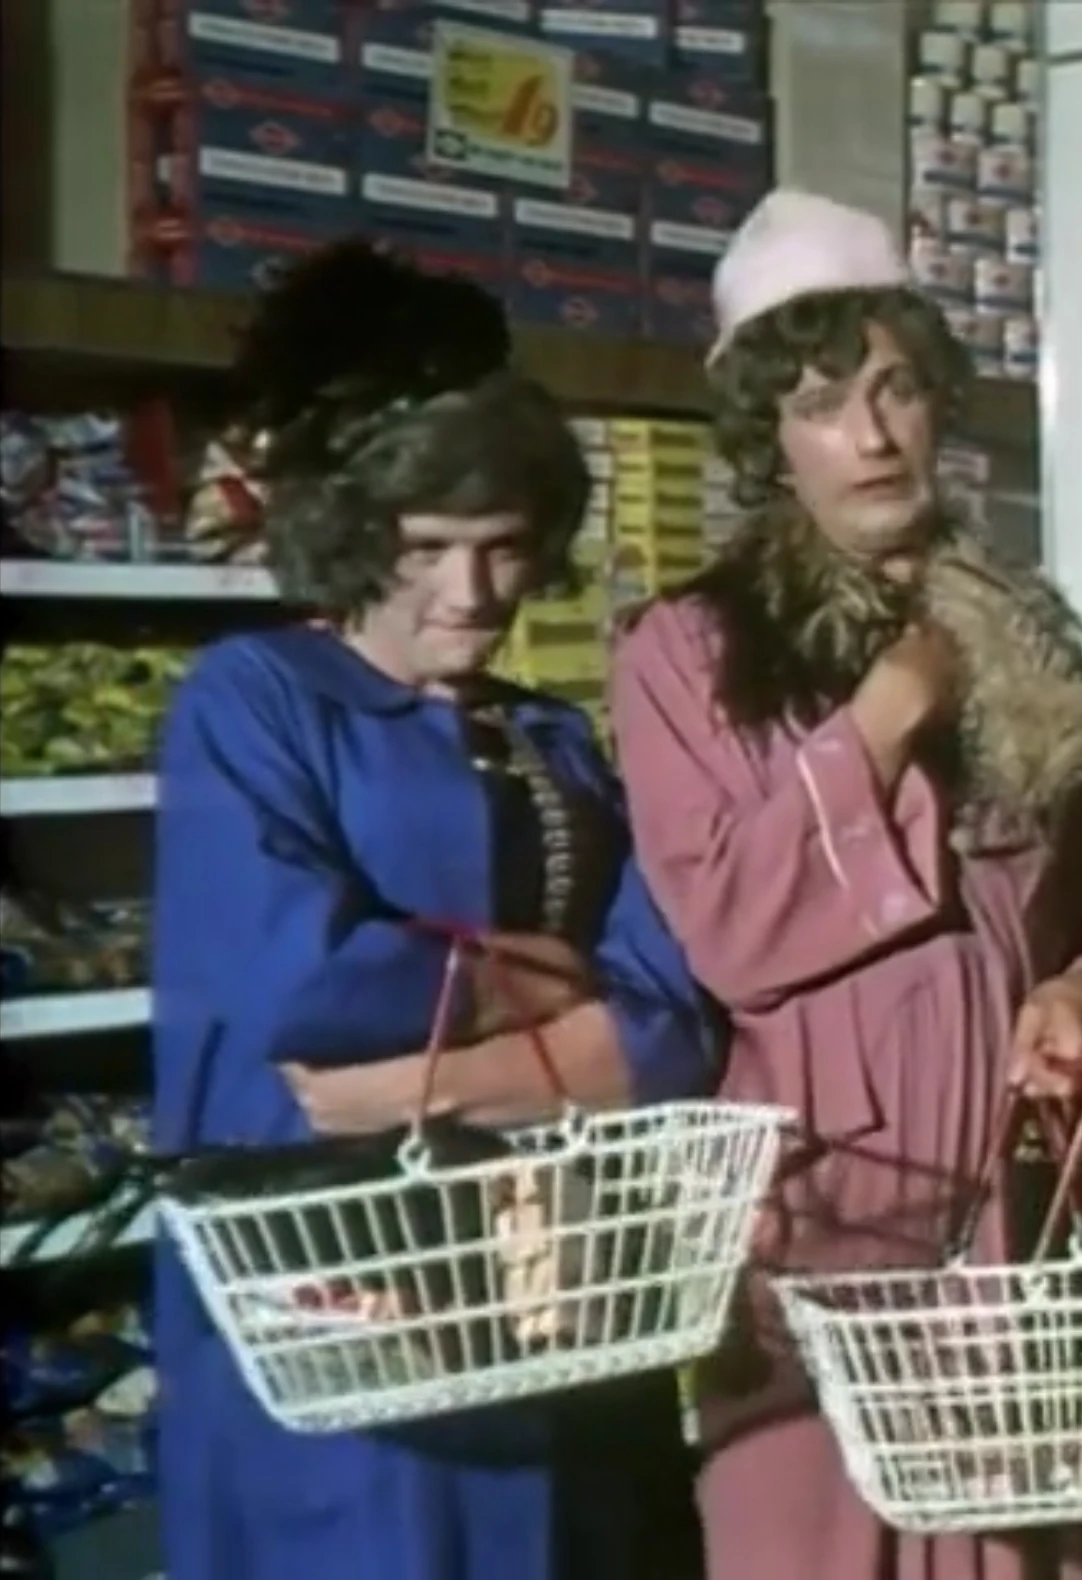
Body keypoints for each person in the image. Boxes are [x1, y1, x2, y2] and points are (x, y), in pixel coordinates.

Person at [150, 242, 720, 1580]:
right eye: (427, 550)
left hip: (562, 1275)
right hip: (338, 1274)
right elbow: (301, 984)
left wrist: (424, 1075)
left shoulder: (555, 737)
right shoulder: (256, 700)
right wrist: (555, 992)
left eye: (504, 549)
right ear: (358, 535)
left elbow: (677, 1020)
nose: (470, 596)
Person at [607, 190, 1082, 1580]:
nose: (875, 433)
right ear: (771, 442)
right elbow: (726, 923)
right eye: (825, 404)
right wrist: (880, 721)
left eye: (896, 388)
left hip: (1009, 1206)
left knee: (1012, 1546)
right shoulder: (689, 650)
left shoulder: (1024, 638)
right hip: (818, 1199)